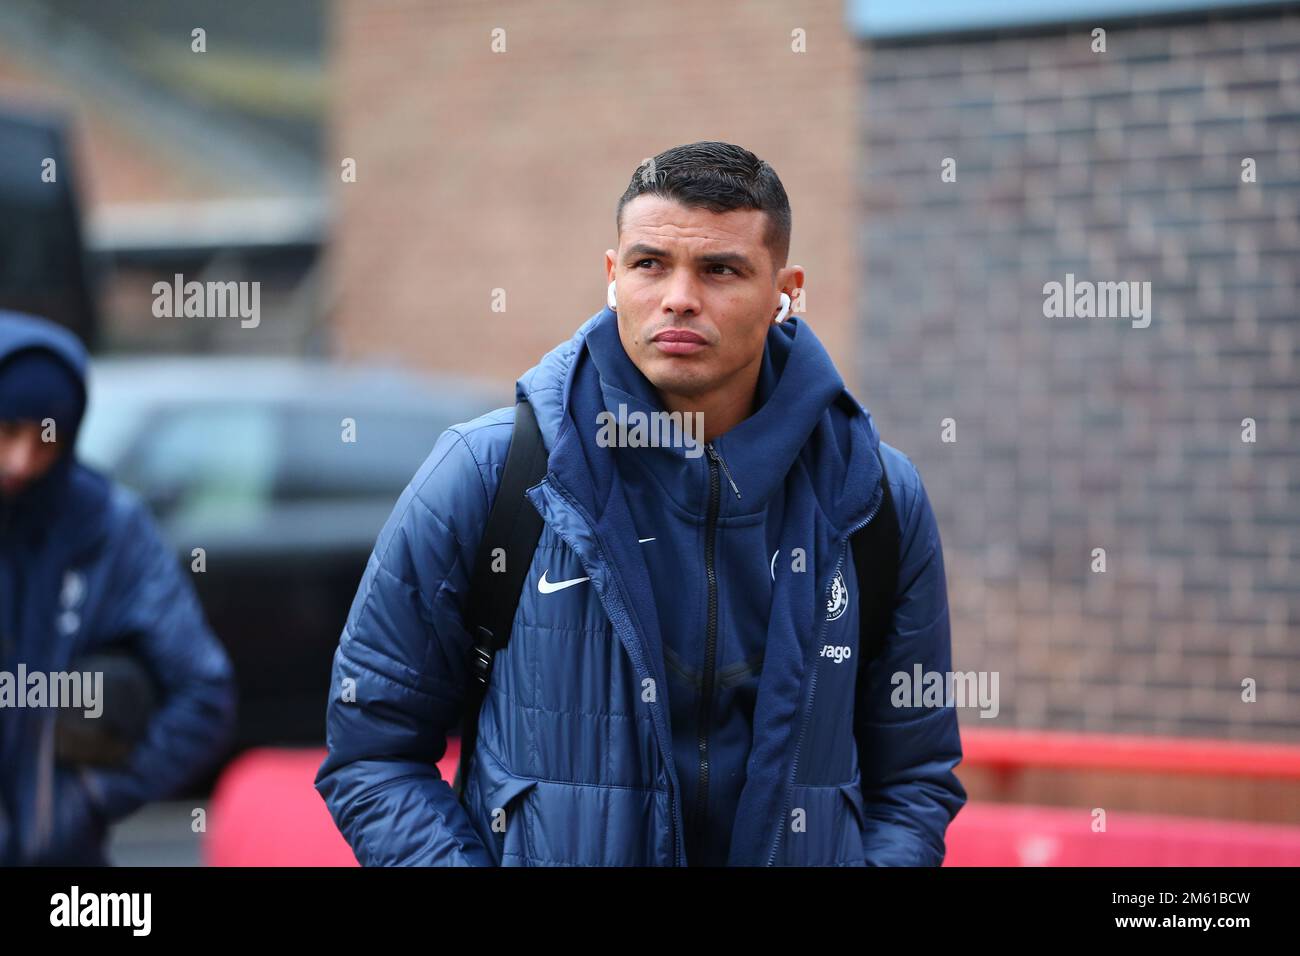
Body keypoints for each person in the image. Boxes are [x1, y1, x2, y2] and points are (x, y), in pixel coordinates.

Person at [315, 141, 967, 866]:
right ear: (612, 275)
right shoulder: (492, 472)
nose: (679, 296)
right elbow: (371, 751)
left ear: (787, 291)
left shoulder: (873, 496)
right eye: (650, 264)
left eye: (720, 269)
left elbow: (913, 777)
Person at [0, 310, 236, 865]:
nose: (22, 461)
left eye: (45, 441)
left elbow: (205, 694)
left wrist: (86, 799)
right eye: (7, 431)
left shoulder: (108, 528)